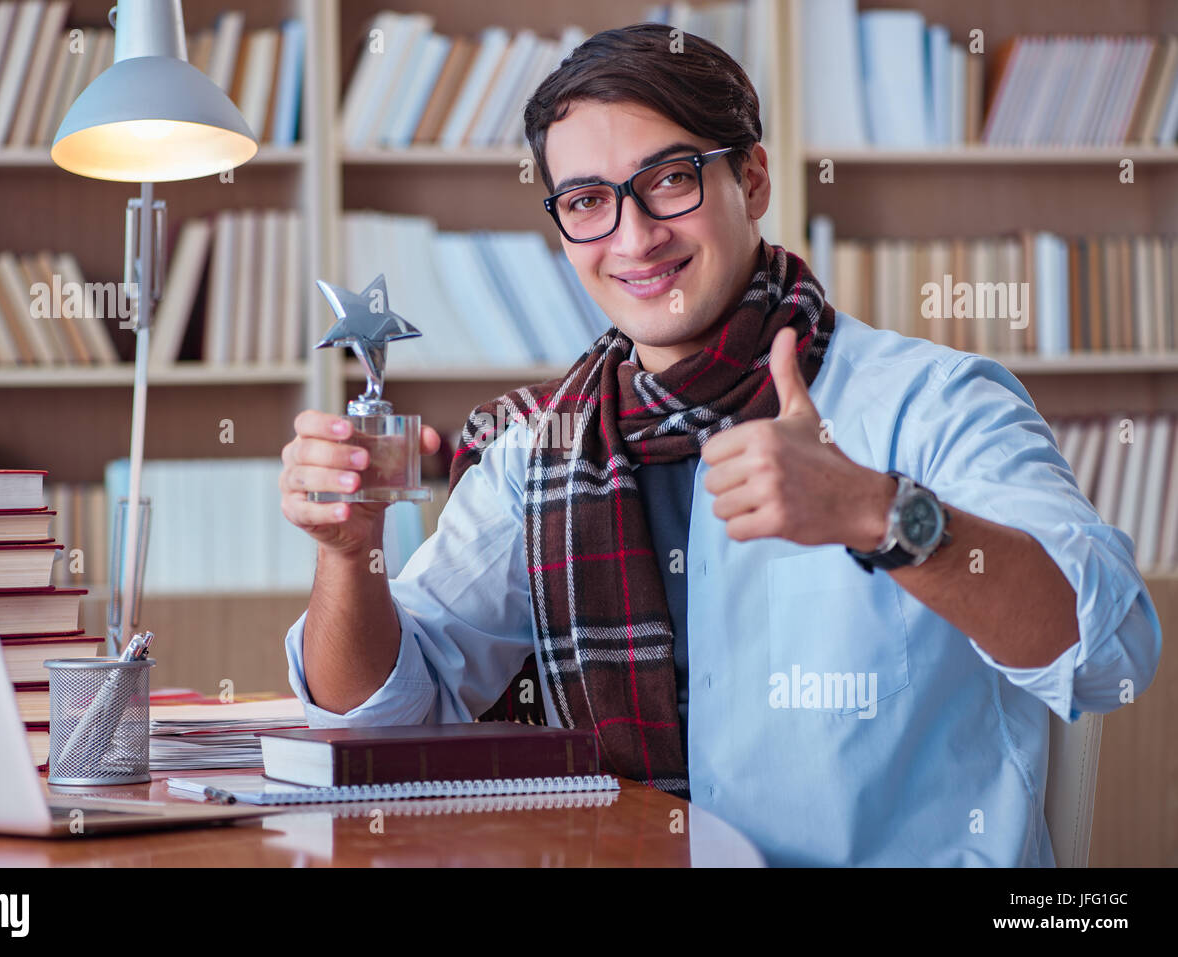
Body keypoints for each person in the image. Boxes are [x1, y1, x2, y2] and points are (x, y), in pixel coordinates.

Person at [276, 23, 1161, 866]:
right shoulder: (538, 451)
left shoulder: (931, 400)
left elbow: (1109, 652)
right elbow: (382, 720)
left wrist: (878, 512)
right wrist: (350, 560)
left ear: (755, 179)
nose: (634, 236)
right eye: (588, 201)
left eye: (669, 180)